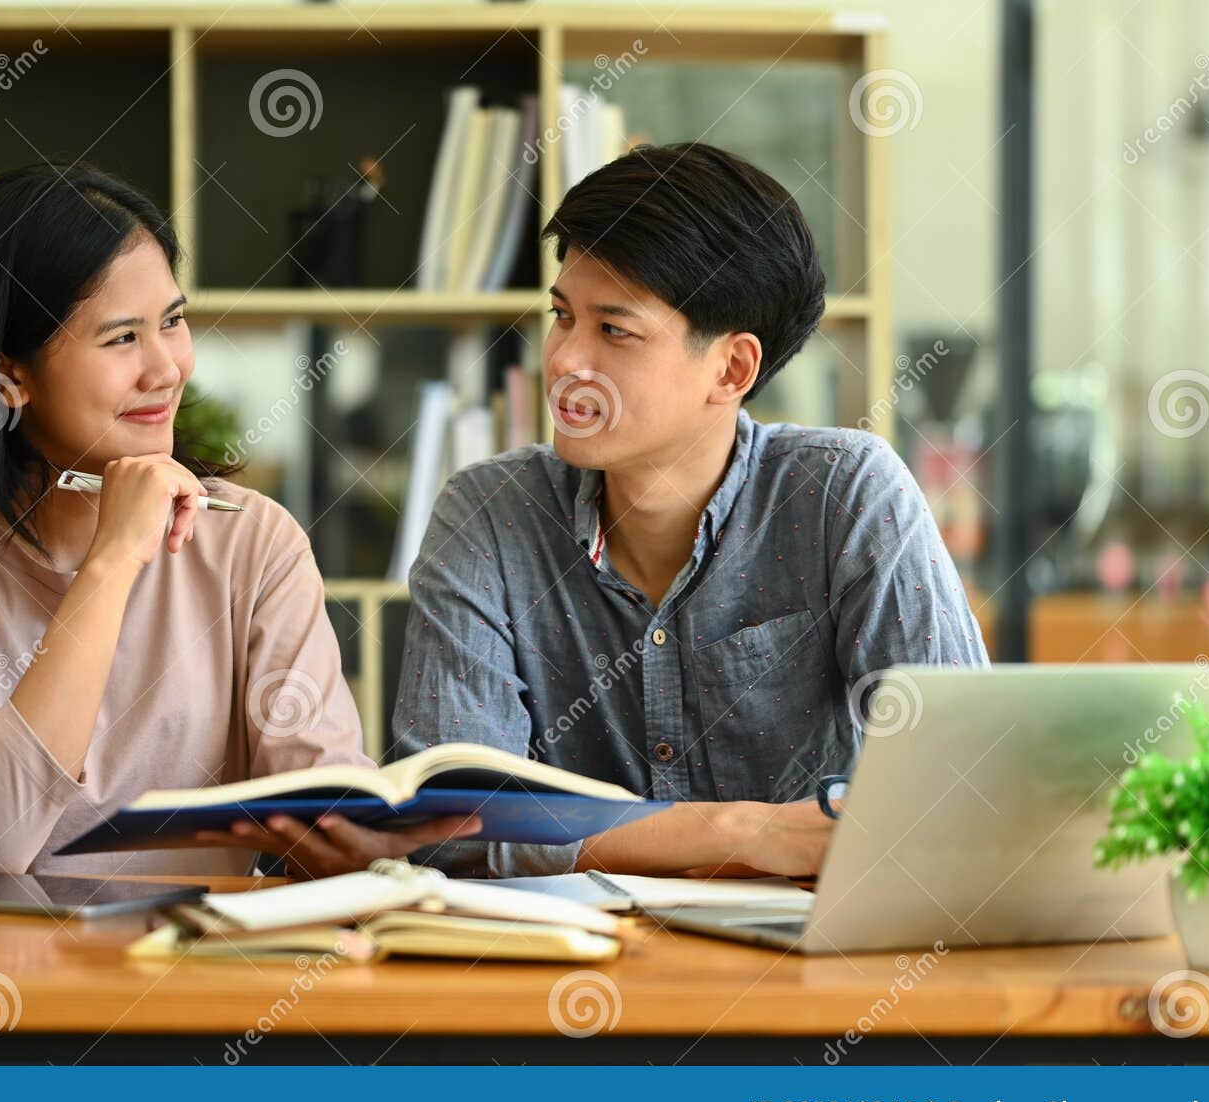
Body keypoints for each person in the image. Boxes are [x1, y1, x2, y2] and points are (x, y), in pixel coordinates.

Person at [0, 162, 478, 879]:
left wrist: (358, 835)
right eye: (120, 339)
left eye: (171, 322)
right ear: (8, 376)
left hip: (200, 973)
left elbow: (322, 796)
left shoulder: (250, 540)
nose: (166, 369)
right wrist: (112, 564)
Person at [391, 142, 990, 879]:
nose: (562, 361)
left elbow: (962, 791)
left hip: (810, 971)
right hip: (560, 970)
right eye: (561, 315)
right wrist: (746, 832)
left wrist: (577, 836)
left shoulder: (845, 493)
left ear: (732, 368)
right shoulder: (489, 513)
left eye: (614, 330)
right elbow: (449, 823)